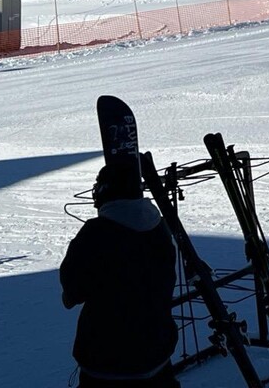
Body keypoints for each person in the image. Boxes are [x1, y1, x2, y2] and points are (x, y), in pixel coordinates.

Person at [61, 163, 180, 387]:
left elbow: (72, 291)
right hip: (157, 352)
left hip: (107, 360)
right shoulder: (159, 227)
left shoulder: (95, 234)